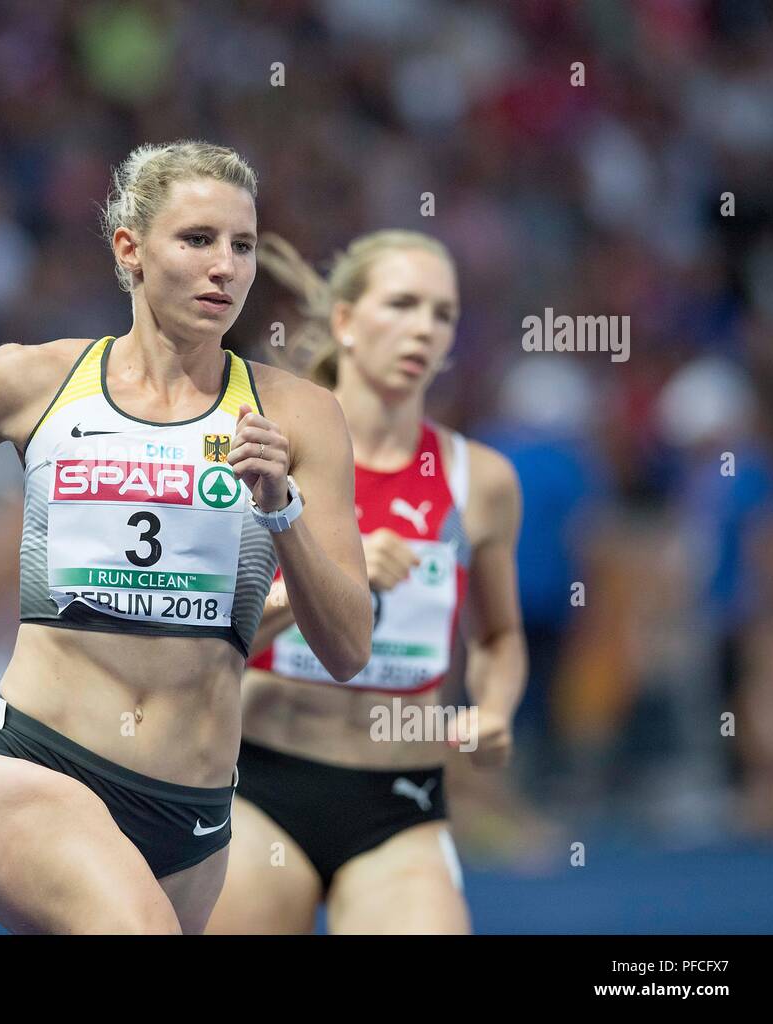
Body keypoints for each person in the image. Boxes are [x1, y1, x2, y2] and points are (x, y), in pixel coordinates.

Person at [0, 140, 373, 934]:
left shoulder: (299, 416)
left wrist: (282, 510)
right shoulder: (33, 381)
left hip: (192, 815)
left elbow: (349, 646)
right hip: (35, 767)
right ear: (130, 249)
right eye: (197, 240)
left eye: (242, 245)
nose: (224, 267)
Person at [206, 230, 527, 934]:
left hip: (399, 801)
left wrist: (495, 708)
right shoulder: (264, 448)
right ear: (346, 321)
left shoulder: (484, 483)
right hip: (261, 781)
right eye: (402, 304)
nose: (423, 328)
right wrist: (333, 584)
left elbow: (500, 636)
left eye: (442, 314)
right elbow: (206, 631)